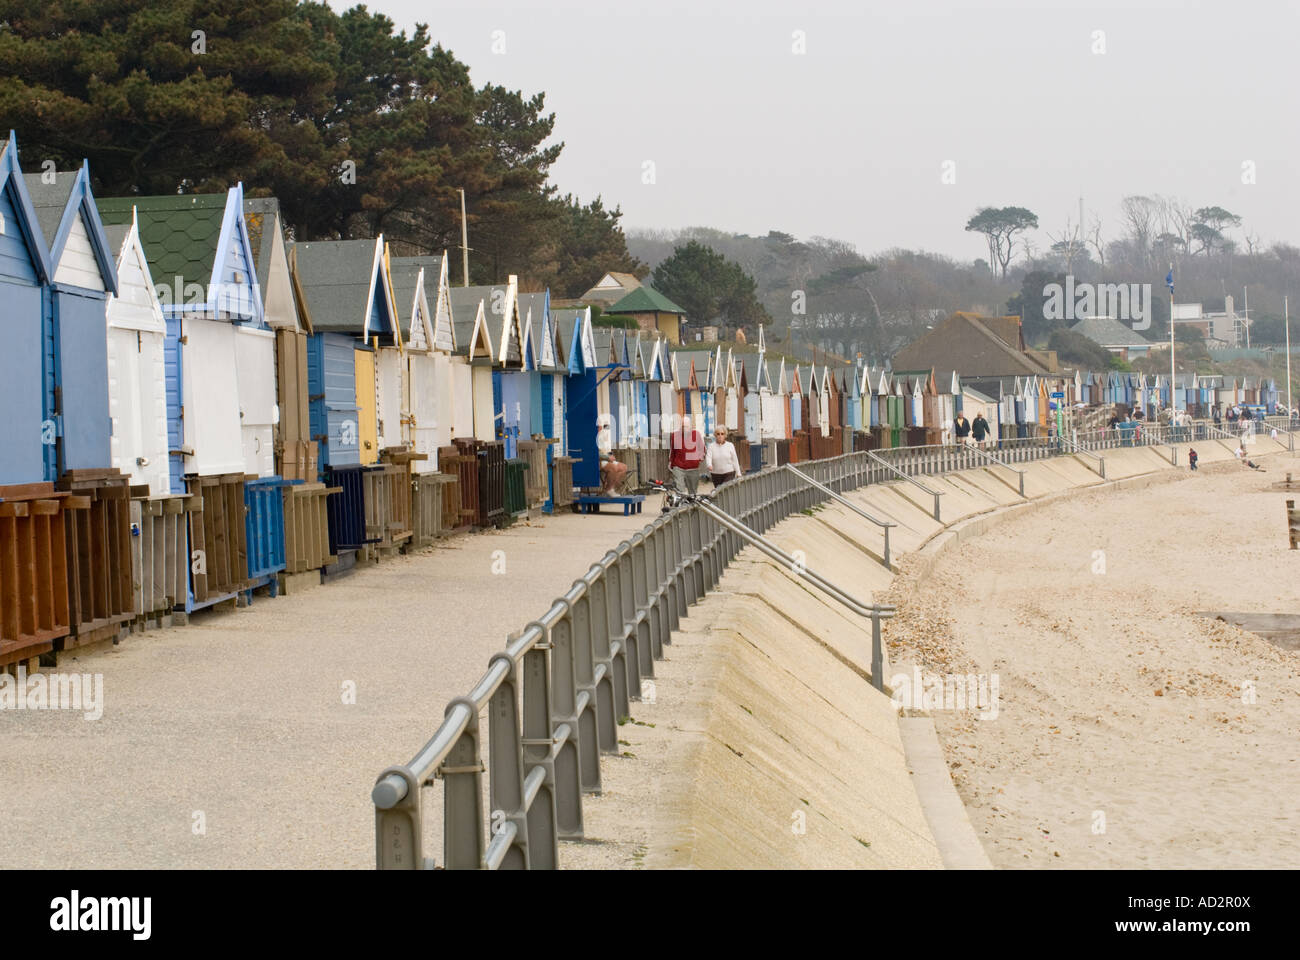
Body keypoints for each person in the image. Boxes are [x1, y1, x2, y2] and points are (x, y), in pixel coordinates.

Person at [668, 416, 705, 495]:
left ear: (691, 426)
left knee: (693, 493)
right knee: (680, 491)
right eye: (683, 426)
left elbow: (702, 449)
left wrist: (698, 459)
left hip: (693, 468)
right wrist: (671, 463)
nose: (685, 428)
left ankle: (691, 507)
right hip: (679, 467)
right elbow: (672, 450)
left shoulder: (696, 434)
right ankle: (682, 506)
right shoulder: (675, 435)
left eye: (686, 426)